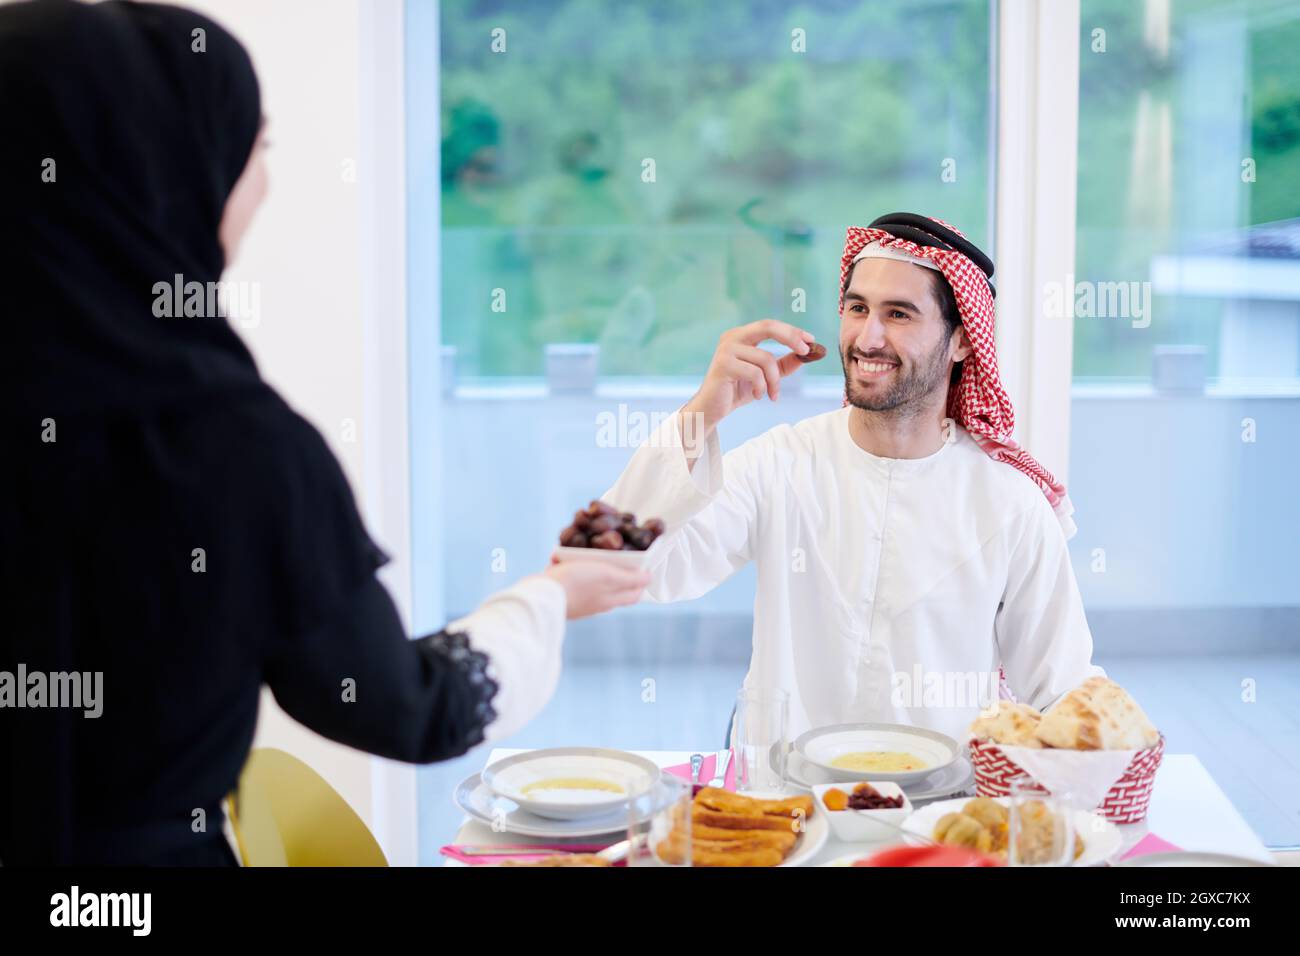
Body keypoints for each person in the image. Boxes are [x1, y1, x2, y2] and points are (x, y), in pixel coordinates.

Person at [0, 0, 648, 867]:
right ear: (164, 172)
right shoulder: (229, 446)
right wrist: (549, 598)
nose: (260, 182)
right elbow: (400, 705)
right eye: (252, 147)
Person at [602, 212, 1105, 745]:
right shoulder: (781, 464)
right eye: (857, 308)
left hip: (936, 813)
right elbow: (627, 566)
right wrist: (702, 412)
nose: (868, 337)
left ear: (961, 341)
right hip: (789, 807)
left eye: (899, 314)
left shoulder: (1010, 504)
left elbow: (1061, 693)